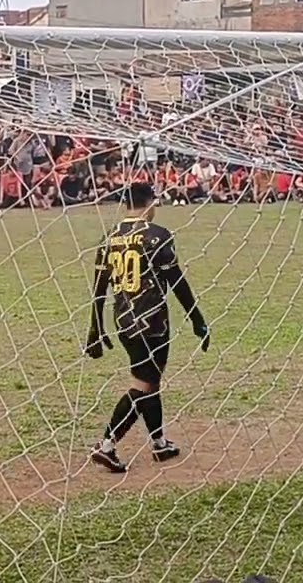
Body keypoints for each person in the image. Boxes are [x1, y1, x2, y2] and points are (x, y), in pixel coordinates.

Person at [84, 181, 210, 473]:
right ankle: (106, 445)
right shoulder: (158, 236)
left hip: (122, 321)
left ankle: (158, 442)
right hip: (153, 320)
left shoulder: (110, 236)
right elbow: (177, 282)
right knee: (144, 384)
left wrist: (95, 328)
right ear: (149, 202)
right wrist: (197, 319)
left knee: (150, 379)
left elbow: (99, 288)